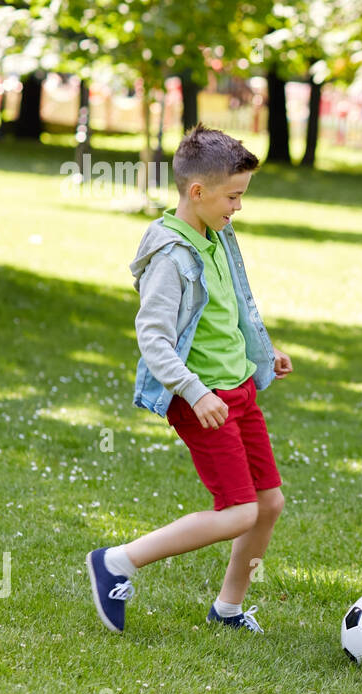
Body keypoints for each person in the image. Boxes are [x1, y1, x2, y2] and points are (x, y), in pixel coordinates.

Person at [86, 123, 293, 635]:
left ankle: (227, 609)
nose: (238, 207)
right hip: (201, 399)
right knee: (239, 510)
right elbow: (154, 339)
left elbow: (233, 307)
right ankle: (117, 562)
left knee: (268, 503)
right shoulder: (171, 256)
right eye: (233, 196)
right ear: (196, 191)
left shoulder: (218, 234)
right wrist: (196, 392)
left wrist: (265, 355)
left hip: (238, 390)